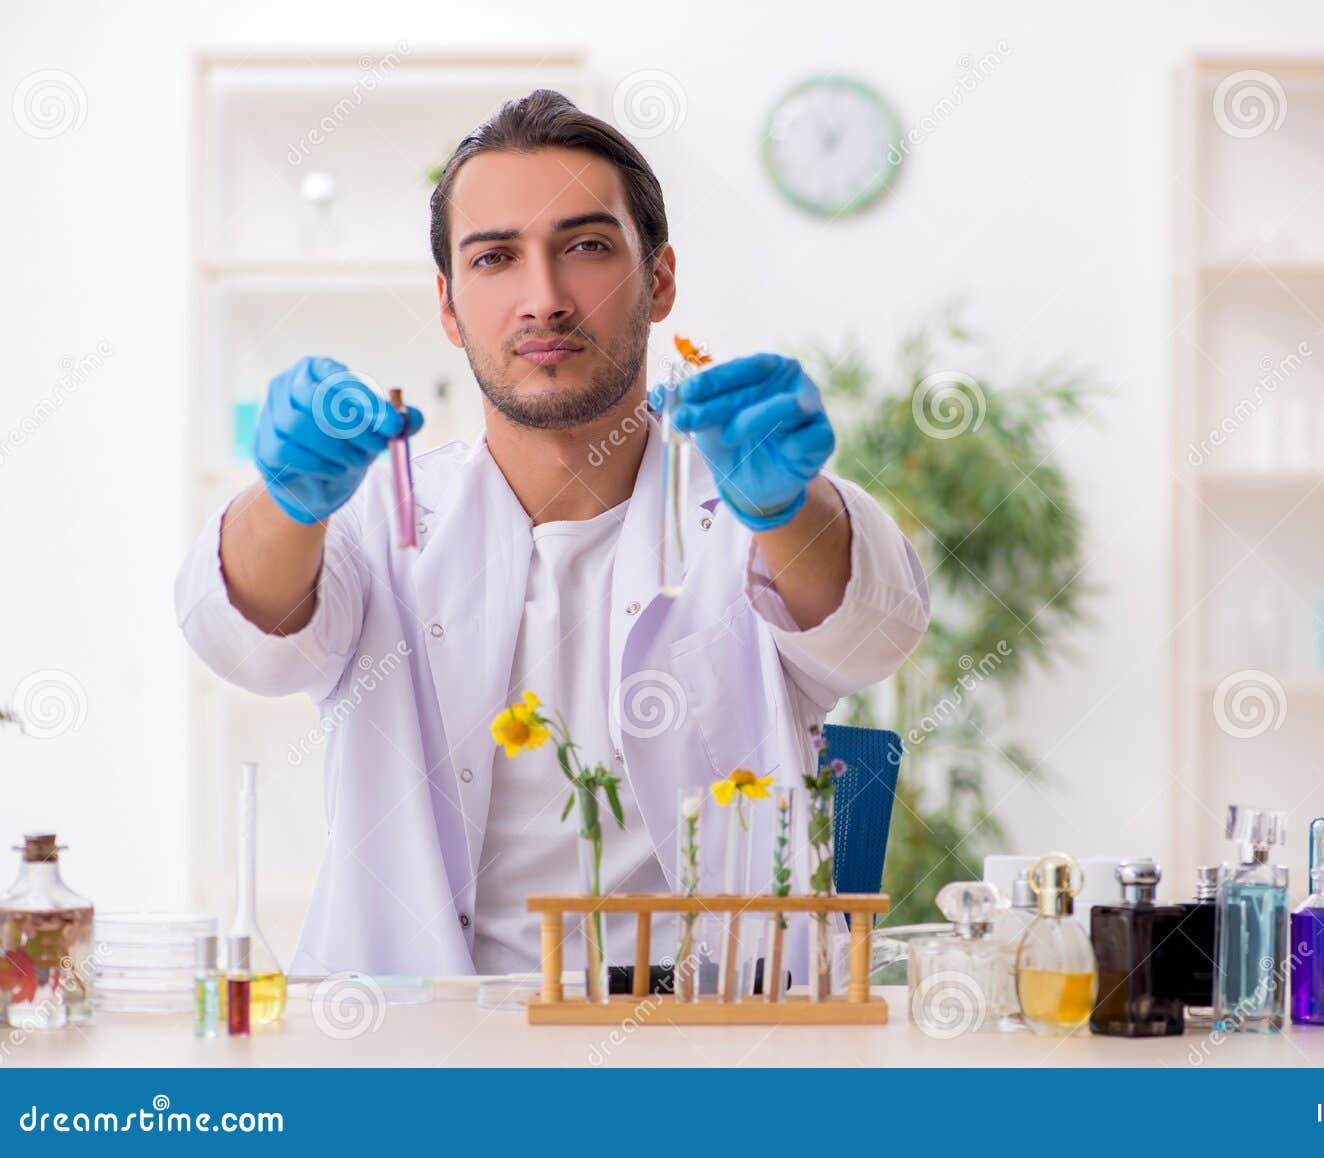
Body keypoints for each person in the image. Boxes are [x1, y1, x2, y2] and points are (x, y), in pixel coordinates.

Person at [174, 89, 930, 978]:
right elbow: (246, 642)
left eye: (585, 247)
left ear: (659, 280)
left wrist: (786, 510)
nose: (544, 298)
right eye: (496, 258)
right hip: (418, 1041)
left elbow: (875, 632)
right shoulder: (386, 513)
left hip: (715, 1036)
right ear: (450, 308)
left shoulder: (747, 506)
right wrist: (289, 500)